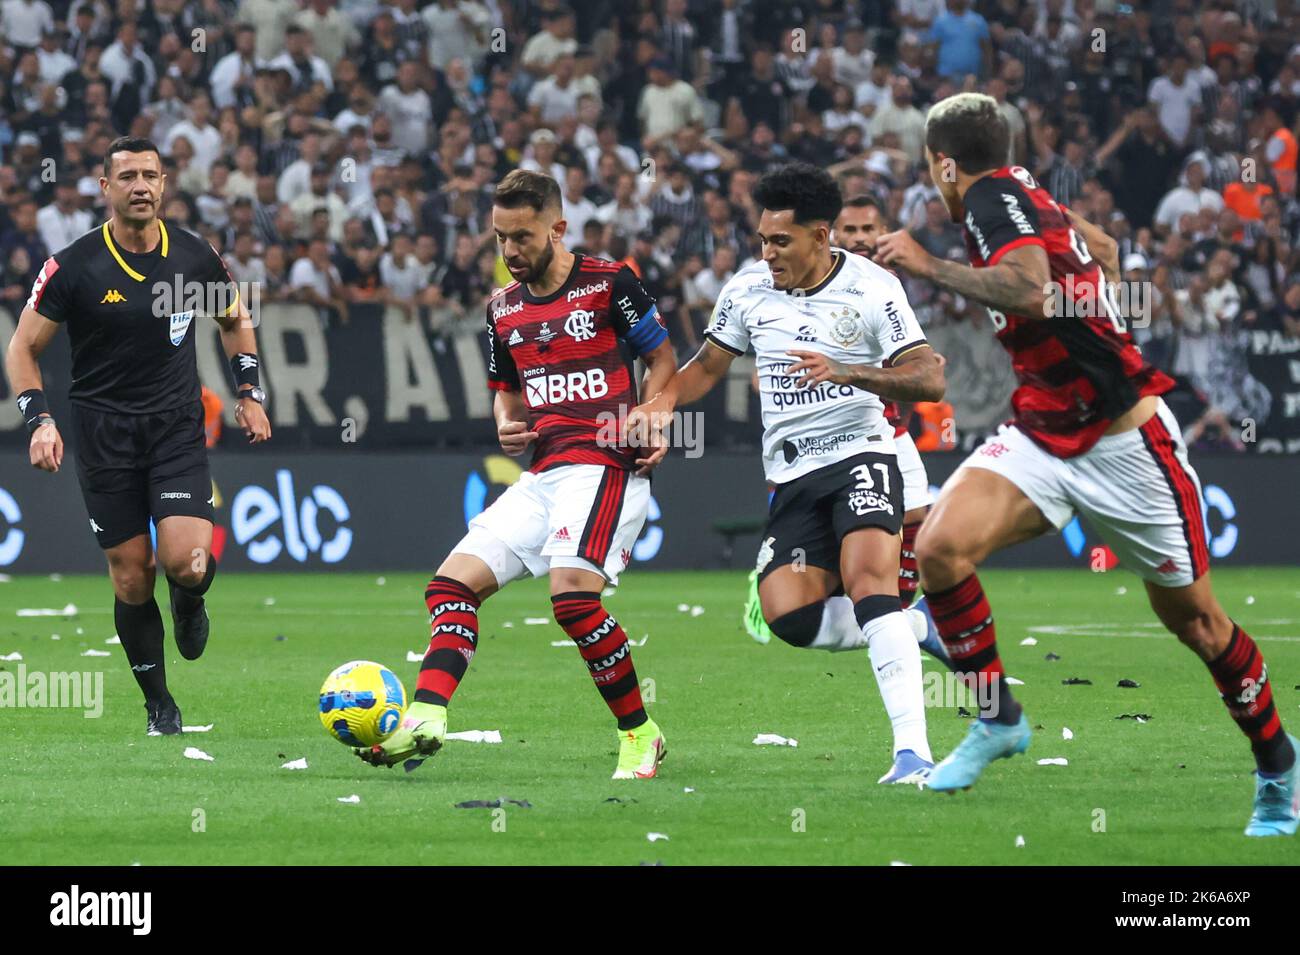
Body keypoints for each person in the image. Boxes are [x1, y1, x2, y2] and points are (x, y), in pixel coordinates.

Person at [873, 93, 1297, 836]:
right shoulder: (1025, 188)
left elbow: (1030, 289)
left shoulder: (986, 196)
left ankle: (1278, 766)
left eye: (930, 169)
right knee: (938, 550)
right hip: (1044, 428)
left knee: (1198, 624)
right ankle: (999, 717)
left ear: (944, 163)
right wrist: (1093, 313)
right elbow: (1101, 250)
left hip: (1127, 441)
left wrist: (925, 263)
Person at [357, 170, 677, 780]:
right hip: (545, 473)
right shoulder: (501, 309)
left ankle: (640, 734)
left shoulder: (611, 284)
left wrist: (651, 414)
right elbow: (505, 394)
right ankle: (426, 714)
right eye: (500, 237)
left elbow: (662, 359)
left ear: (558, 228)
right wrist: (506, 423)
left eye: (522, 237)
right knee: (450, 586)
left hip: (607, 463)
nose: (509, 252)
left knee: (571, 597)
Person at [669, 163, 947, 785]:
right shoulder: (746, 291)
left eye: (781, 242)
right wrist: (656, 408)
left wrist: (850, 372)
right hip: (794, 477)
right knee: (788, 615)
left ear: (821, 236)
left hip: (863, 453)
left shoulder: (873, 288)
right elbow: (706, 369)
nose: (768, 254)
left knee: (869, 581)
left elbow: (929, 377)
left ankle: (912, 755)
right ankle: (915, 624)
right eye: (763, 241)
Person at [3, 136, 271, 736]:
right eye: (127, 177)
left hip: (175, 427)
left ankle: (191, 598)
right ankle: (159, 705)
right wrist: (38, 420)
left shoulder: (193, 257)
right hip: (103, 435)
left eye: (150, 175)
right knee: (130, 574)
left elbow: (234, 319)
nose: (141, 186)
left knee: (187, 561)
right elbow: (23, 346)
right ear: (106, 189)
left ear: (165, 183)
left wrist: (250, 393)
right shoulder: (74, 267)